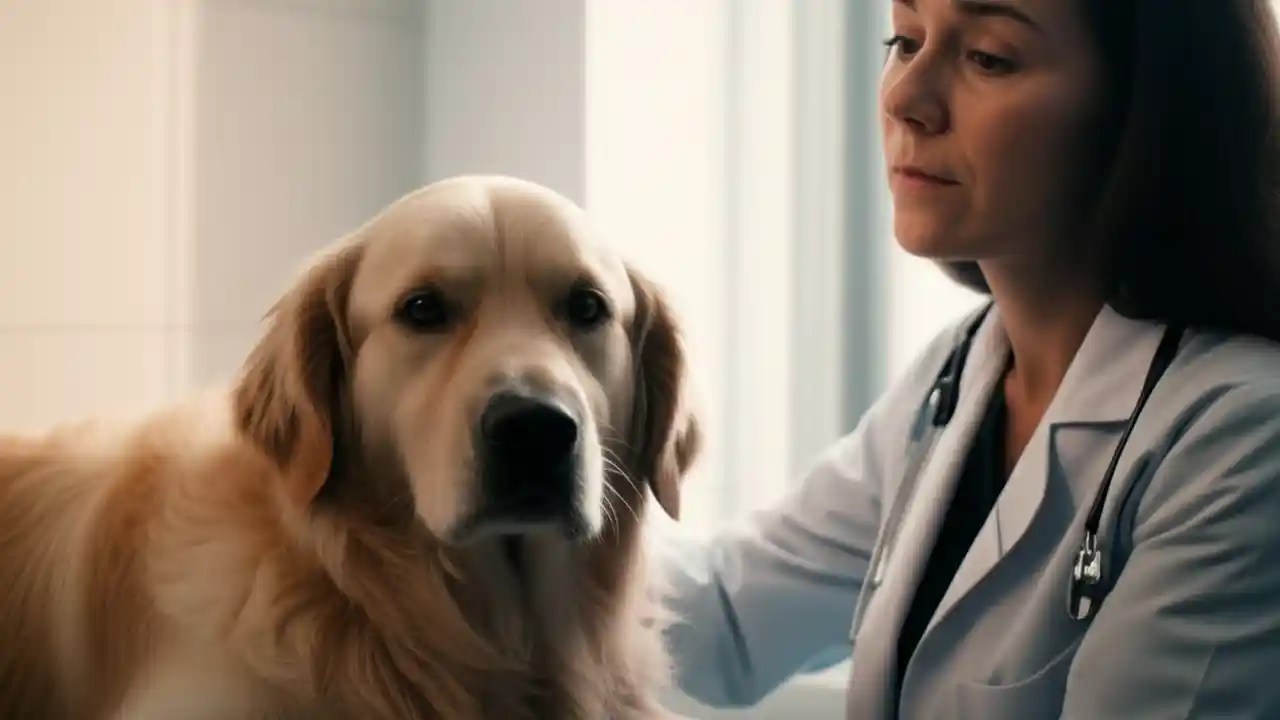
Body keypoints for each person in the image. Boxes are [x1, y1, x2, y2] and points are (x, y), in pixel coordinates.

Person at [653, 1, 1280, 718]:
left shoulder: (1243, 439)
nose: (904, 97)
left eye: (988, 57)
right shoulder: (963, 369)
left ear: (1148, 108)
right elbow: (725, 620)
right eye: (904, 40)